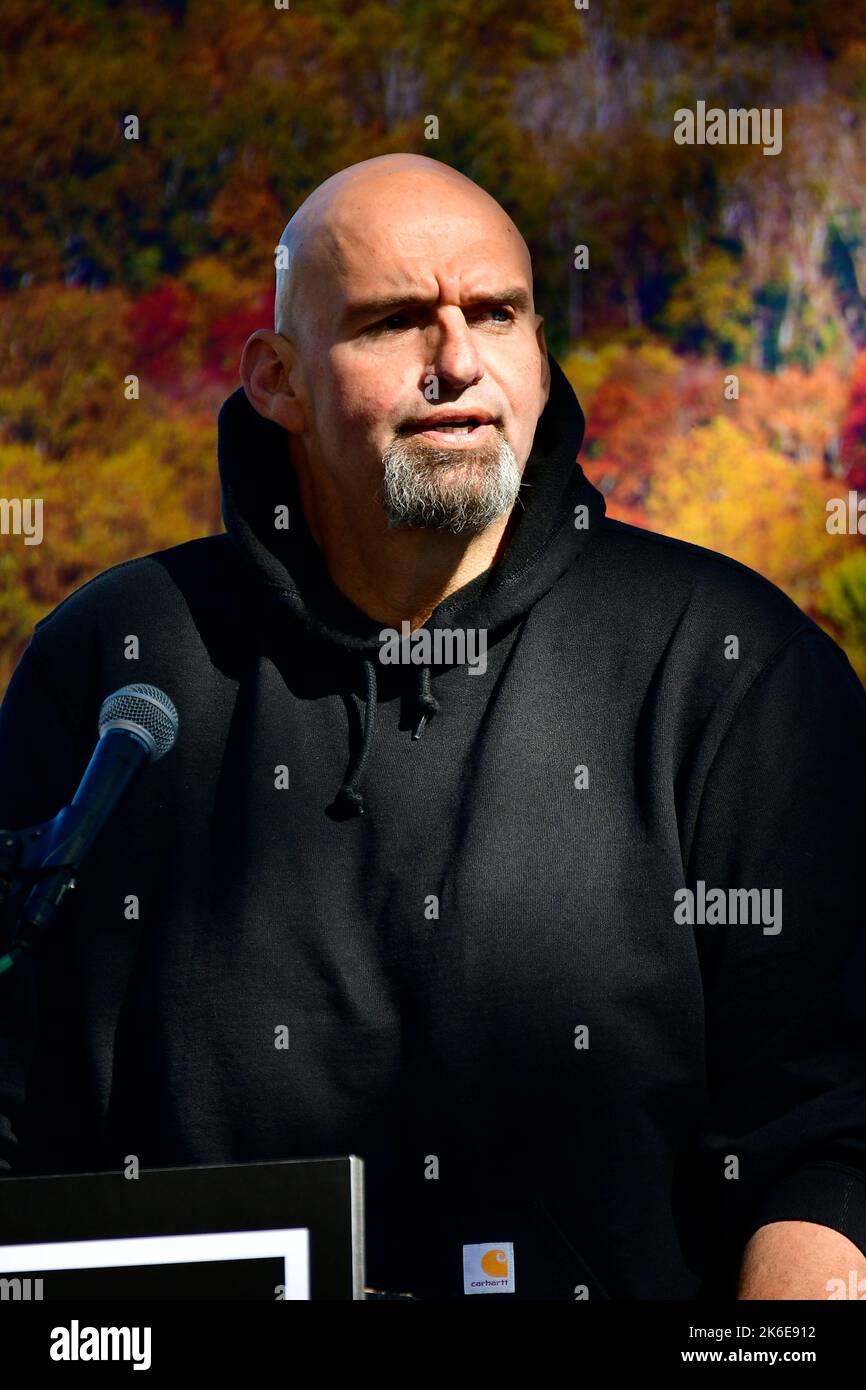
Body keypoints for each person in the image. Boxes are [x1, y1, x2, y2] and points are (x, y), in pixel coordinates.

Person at [1, 152, 865, 1301]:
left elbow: (833, 1125)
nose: (456, 362)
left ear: (540, 359)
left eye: (495, 314)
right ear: (276, 378)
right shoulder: (118, 673)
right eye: (395, 321)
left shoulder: (724, 663)